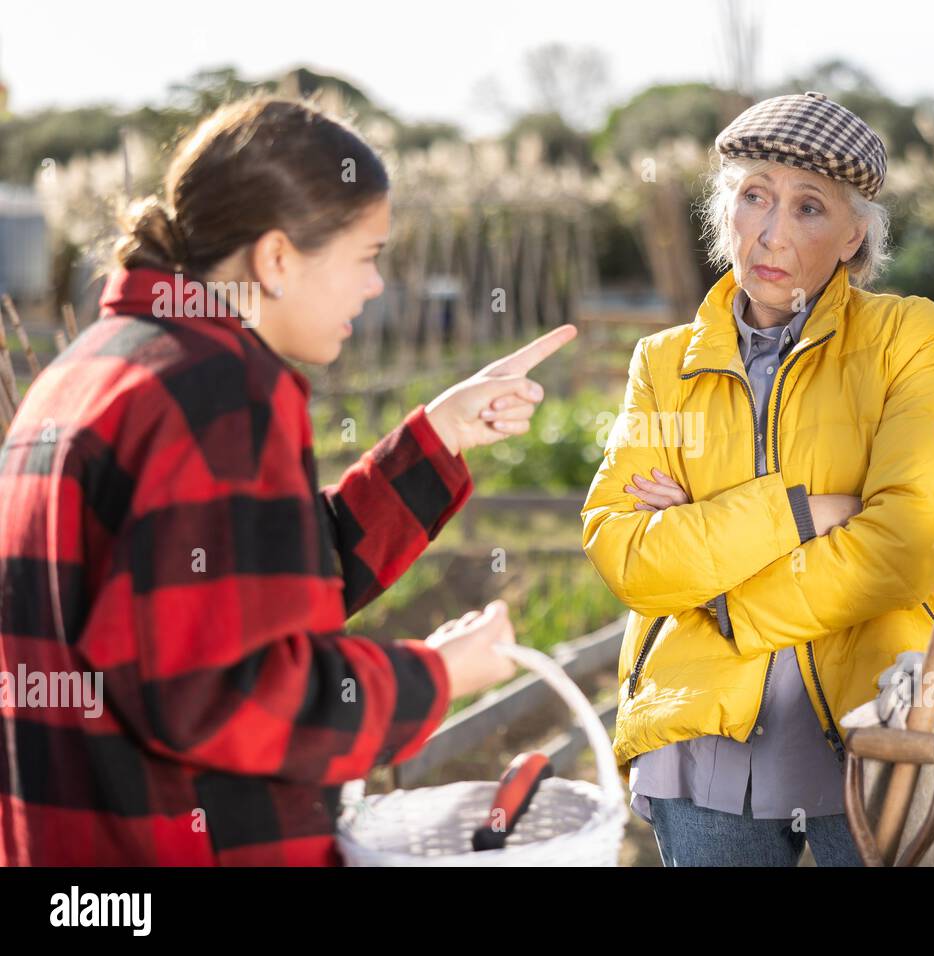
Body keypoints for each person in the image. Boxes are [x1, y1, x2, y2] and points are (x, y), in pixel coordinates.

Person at [0, 96, 575, 865]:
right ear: (276, 259)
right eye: (368, 256)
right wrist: (434, 677)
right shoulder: (222, 387)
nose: (375, 287)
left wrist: (437, 436)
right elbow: (221, 690)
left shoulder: (91, 370)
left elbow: (227, 597)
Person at [581, 91, 934, 866]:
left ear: (855, 233)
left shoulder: (908, 336)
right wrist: (808, 511)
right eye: (754, 195)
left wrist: (725, 589)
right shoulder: (663, 363)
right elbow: (625, 551)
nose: (770, 231)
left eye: (808, 207)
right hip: (699, 748)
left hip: (873, 732)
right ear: (725, 208)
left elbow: (909, 542)